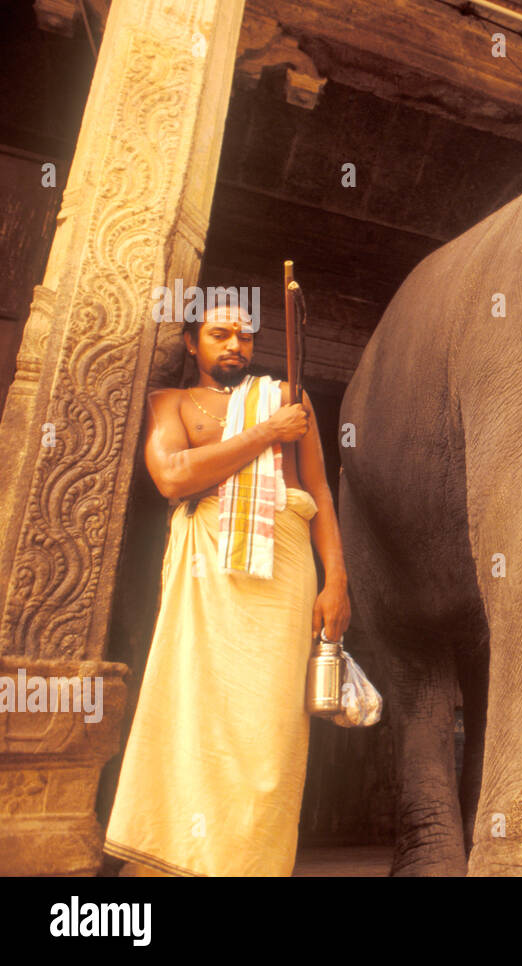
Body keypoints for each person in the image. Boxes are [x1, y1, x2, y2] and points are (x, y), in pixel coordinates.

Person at [104, 299, 350, 875]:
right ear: (192, 342)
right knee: (191, 706)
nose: (235, 345)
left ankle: (247, 864)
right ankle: (174, 858)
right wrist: (267, 433)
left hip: (285, 569)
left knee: (270, 728)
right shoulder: (170, 404)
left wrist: (336, 580)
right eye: (219, 334)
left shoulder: (290, 398)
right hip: (204, 569)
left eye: (245, 336)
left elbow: (319, 492)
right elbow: (173, 477)